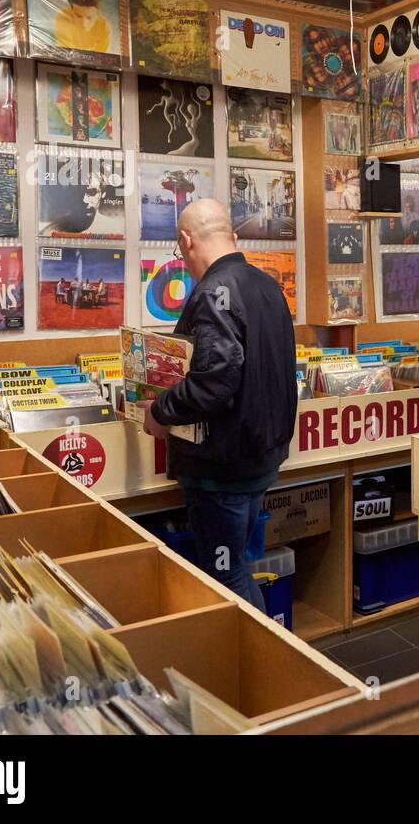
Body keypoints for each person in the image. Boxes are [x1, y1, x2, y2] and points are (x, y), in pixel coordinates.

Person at [139, 198, 297, 613]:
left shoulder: (212, 293)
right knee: (239, 567)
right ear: (234, 236)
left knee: (224, 576)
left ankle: (262, 668)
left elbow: (214, 382)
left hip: (222, 469)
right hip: (259, 460)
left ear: (186, 240)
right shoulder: (267, 286)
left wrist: (159, 411)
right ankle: (265, 662)